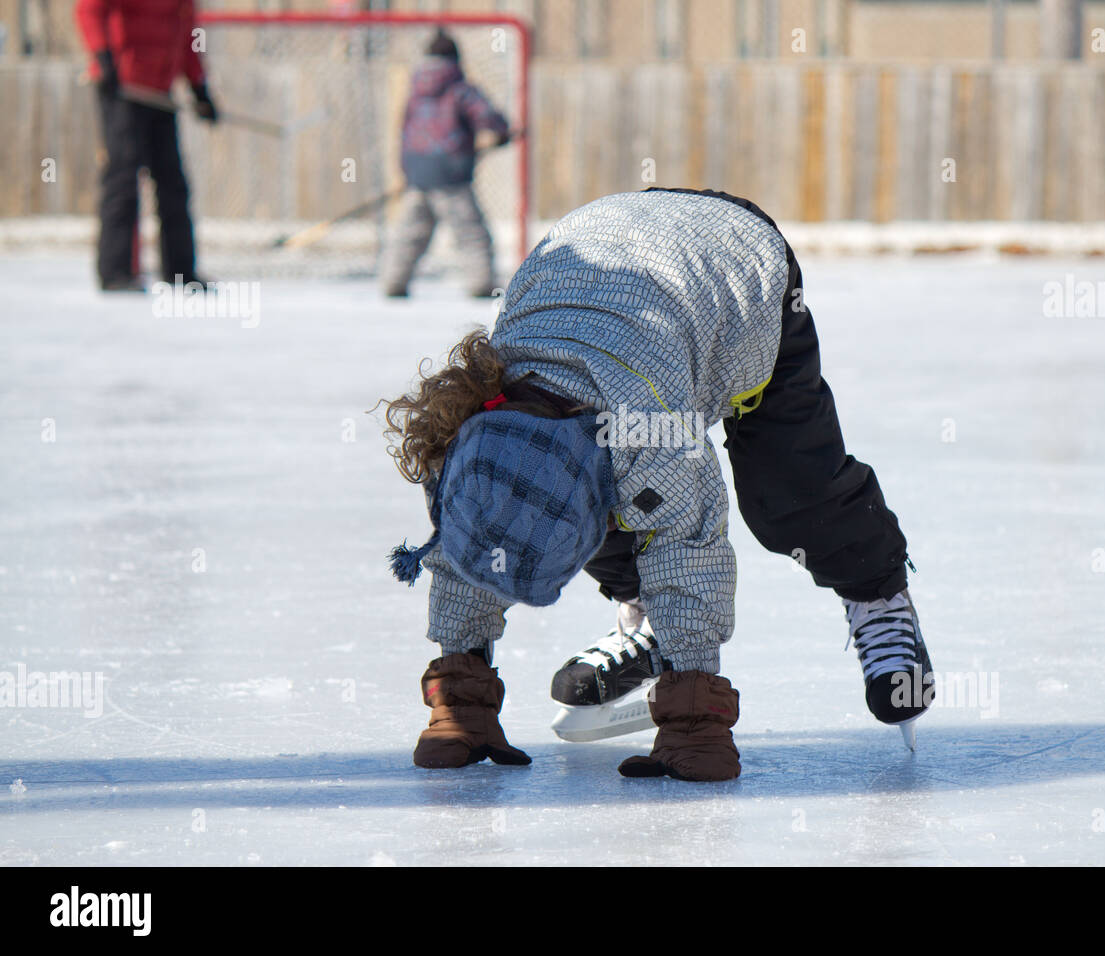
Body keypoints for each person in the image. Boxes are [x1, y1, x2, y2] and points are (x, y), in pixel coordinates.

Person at [382, 188, 935, 781]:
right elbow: (472, 546)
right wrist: (458, 700)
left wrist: (694, 717)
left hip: (732, 266)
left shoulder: (648, 429)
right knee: (581, 509)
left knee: (789, 494)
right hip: (614, 256)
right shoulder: (468, 436)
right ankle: (648, 619)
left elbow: (688, 542)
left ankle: (877, 596)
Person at [75, 0, 217, 292]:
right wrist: (103, 56)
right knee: (123, 179)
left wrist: (198, 87)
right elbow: (89, 9)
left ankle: (180, 271)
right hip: (123, 88)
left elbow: (187, 32)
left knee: (173, 182)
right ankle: (116, 272)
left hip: (159, 91)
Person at [381, 30, 511, 300]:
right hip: (451, 171)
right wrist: (502, 131)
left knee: (410, 233)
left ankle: (393, 281)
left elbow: (404, 129)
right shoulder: (459, 87)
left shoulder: (415, 89)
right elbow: (485, 115)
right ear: (455, 57)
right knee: (470, 232)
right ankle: (481, 283)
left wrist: (408, 168)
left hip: (418, 169)